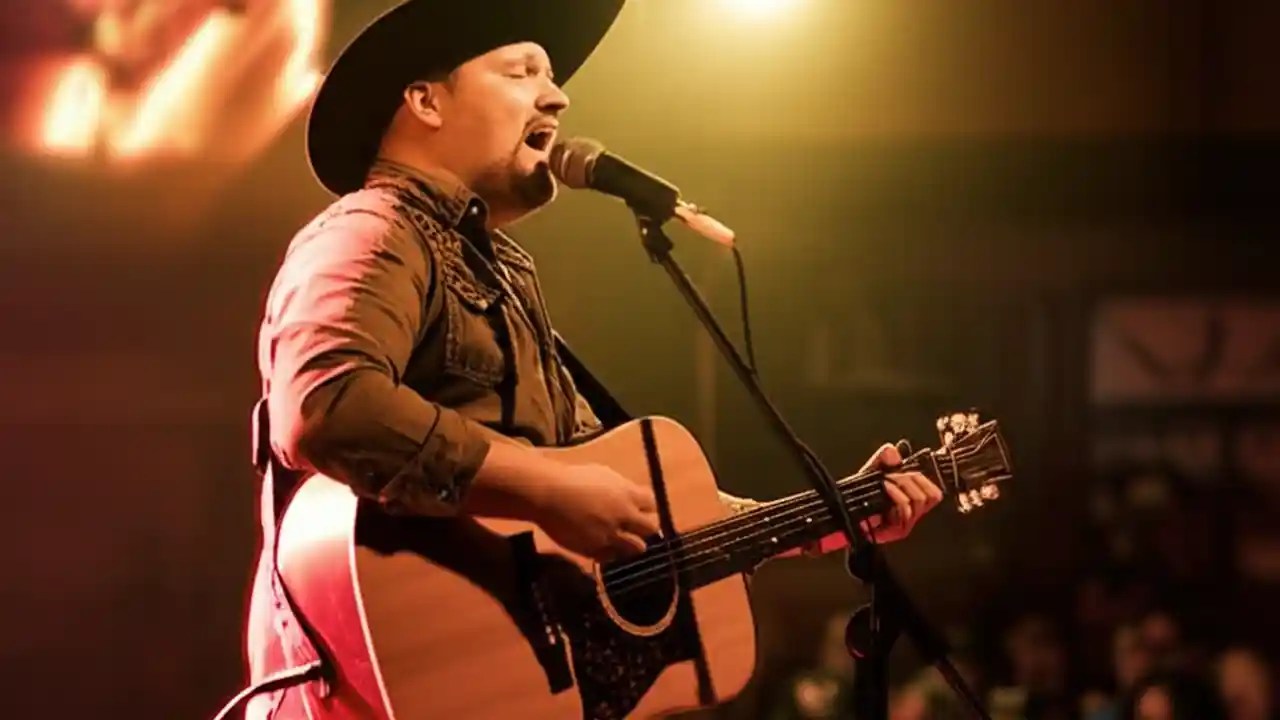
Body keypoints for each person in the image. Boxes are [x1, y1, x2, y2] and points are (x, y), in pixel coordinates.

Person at [243, 0, 943, 717]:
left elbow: (619, 506)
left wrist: (829, 519)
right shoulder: (372, 230)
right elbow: (327, 406)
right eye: (522, 71)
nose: (558, 95)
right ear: (425, 101)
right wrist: (548, 491)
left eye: (550, 77)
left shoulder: (500, 273)